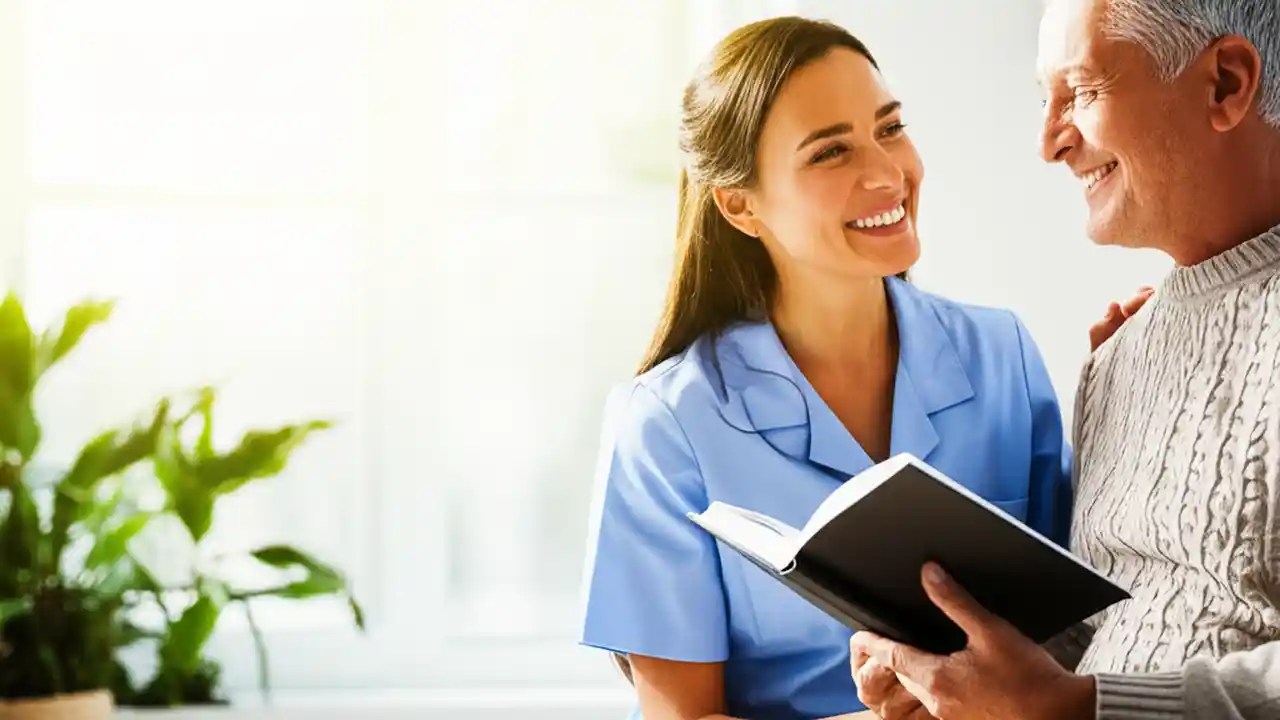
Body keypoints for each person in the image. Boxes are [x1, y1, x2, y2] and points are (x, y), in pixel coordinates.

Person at [577, 16, 1089, 720]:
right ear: (740, 205)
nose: (886, 173)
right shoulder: (667, 425)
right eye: (830, 152)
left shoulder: (1002, 357)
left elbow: (1080, 633)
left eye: (890, 128)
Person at [850, 0, 1280, 718]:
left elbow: (1089, 695)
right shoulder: (1119, 358)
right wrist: (964, 678)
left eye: (1080, 91)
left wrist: (1076, 708)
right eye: (1044, 99)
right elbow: (1118, 629)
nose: (1050, 142)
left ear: (1226, 84)